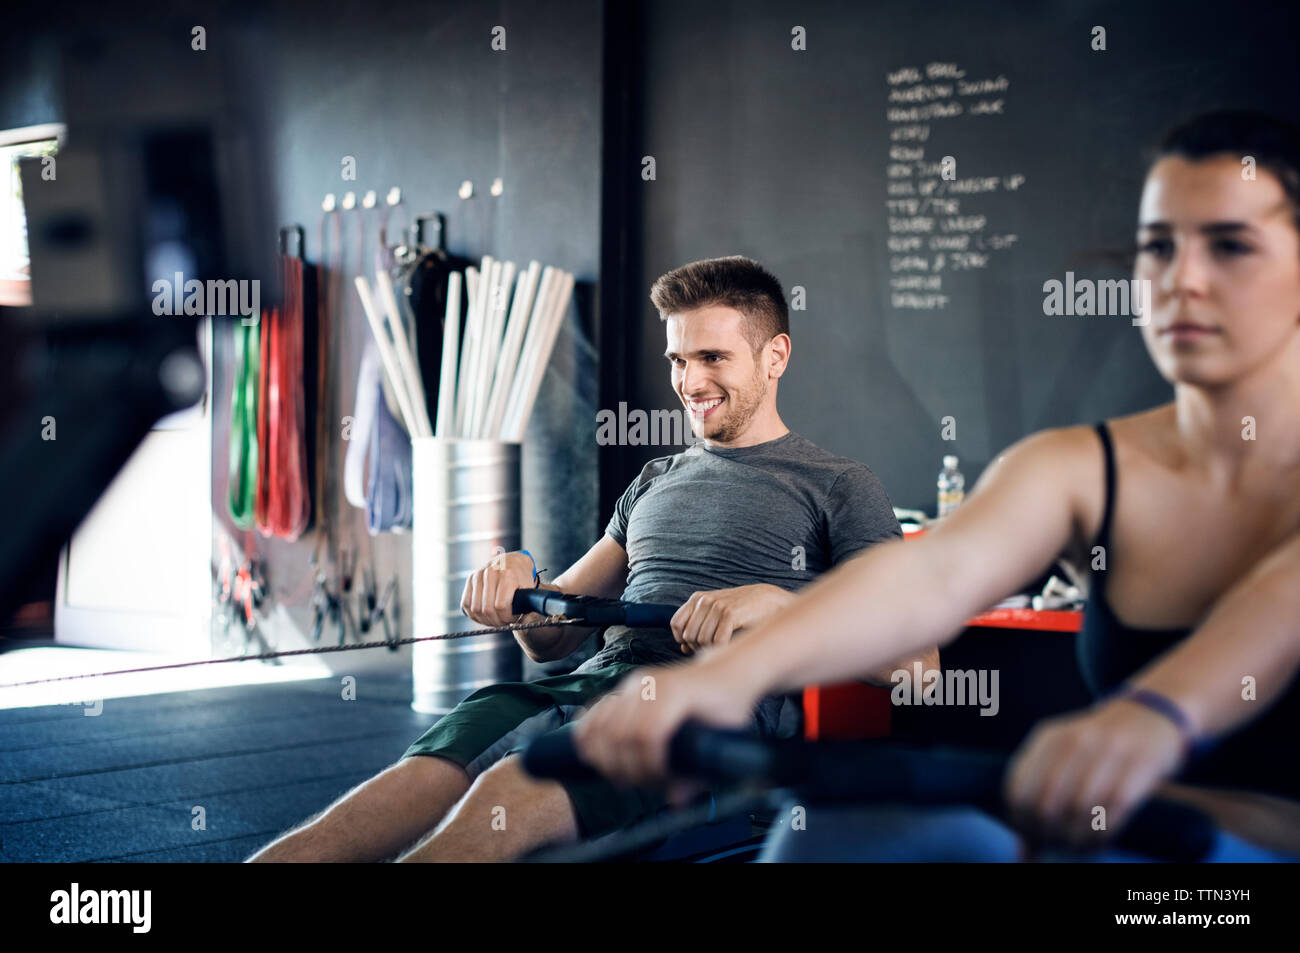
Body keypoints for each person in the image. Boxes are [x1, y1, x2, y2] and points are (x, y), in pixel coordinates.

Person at [573, 111, 1300, 862]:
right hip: (1126, 846)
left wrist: (1155, 714)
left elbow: (1275, 608)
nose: (1181, 279)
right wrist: (725, 675)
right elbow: (926, 575)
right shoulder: (1079, 466)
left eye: (1231, 244)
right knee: (820, 836)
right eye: (1158, 247)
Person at [249, 255, 930, 862]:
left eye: (713, 358)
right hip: (587, 684)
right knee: (417, 776)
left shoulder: (838, 484)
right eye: (677, 360)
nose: (689, 381)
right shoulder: (655, 479)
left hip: (704, 711)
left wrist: (780, 608)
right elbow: (555, 636)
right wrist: (518, 584)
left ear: (775, 356)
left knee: (511, 787)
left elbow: (917, 670)